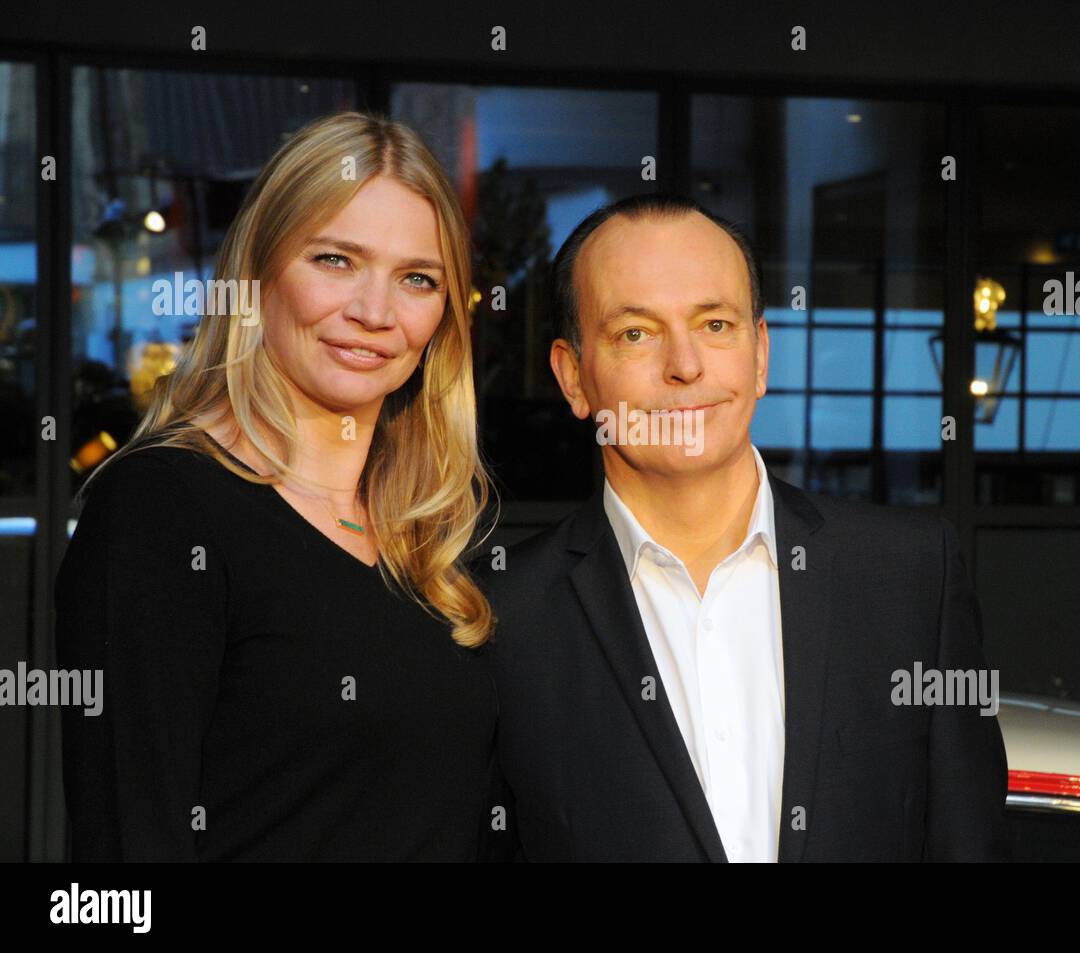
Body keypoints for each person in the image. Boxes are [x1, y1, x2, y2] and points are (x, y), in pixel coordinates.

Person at [477, 194, 1010, 862]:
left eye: (716, 325)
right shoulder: (497, 616)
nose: (686, 365)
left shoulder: (908, 577)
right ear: (573, 377)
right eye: (635, 333)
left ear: (760, 355)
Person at [56, 112, 497, 861]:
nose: (373, 312)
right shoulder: (160, 511)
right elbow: (127, 850)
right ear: (257, 275)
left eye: (417, 278)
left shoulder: (429, 536)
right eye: (335, 260)